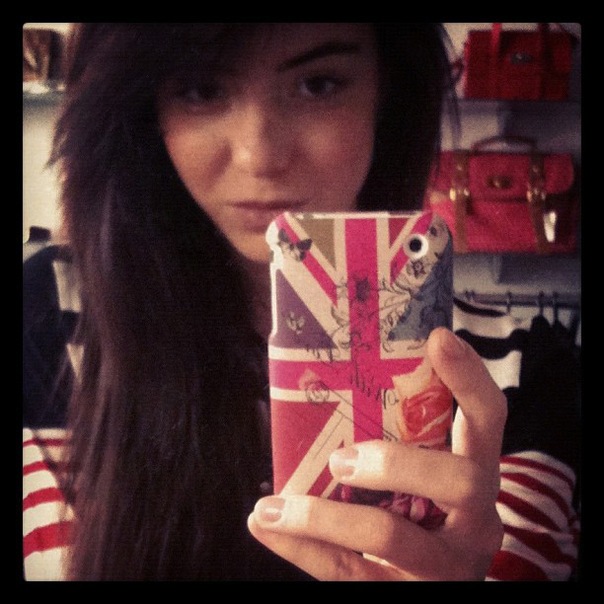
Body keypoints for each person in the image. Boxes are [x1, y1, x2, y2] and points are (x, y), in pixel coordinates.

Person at [23, 23, 558, 581]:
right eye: (202, 90)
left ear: (388, 94)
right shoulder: (49, 322)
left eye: (319, 84)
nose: (260, 156)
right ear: (146, 111)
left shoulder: (520, 373)